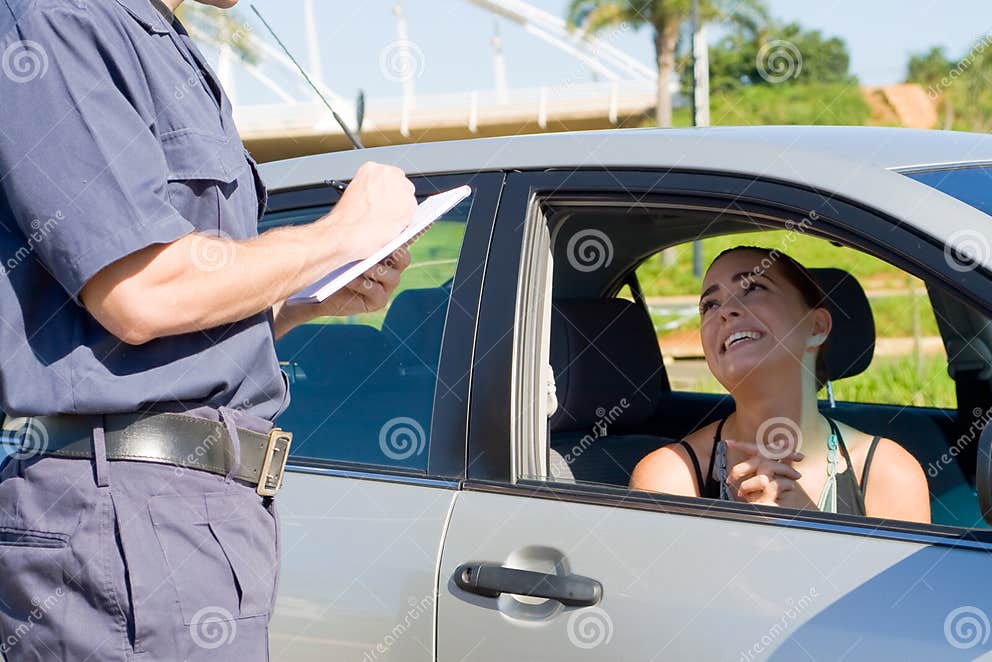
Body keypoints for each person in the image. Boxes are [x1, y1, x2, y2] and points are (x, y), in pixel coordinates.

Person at [0, 0, 418, 659]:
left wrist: (307, 295)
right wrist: (338, 235)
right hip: (126, 516)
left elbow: (171, 329)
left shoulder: (161, 40)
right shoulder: (65, 17)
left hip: (189, 515)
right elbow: (138, 293)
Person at [630, 246, 931, 523]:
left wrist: (808, 528)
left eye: (753, 287)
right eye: (709, 305)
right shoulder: (668, 478)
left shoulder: (888, 473)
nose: (725, 310)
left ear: (817, 326)